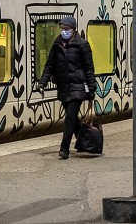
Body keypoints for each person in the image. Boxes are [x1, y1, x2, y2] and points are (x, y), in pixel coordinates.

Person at [37, 13, 97, 160]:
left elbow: (89, 68)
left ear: (73, 30)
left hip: (77, 86)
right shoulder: (56, 45)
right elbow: (49, 65)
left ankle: (64, 149)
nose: (64, 31)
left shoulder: (82, 44)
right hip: (63, 86)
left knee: (69, 118)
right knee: (73, 118)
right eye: (62, 28)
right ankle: (85, 143)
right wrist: (42, 83)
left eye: (67, 29)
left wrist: (92, 88)